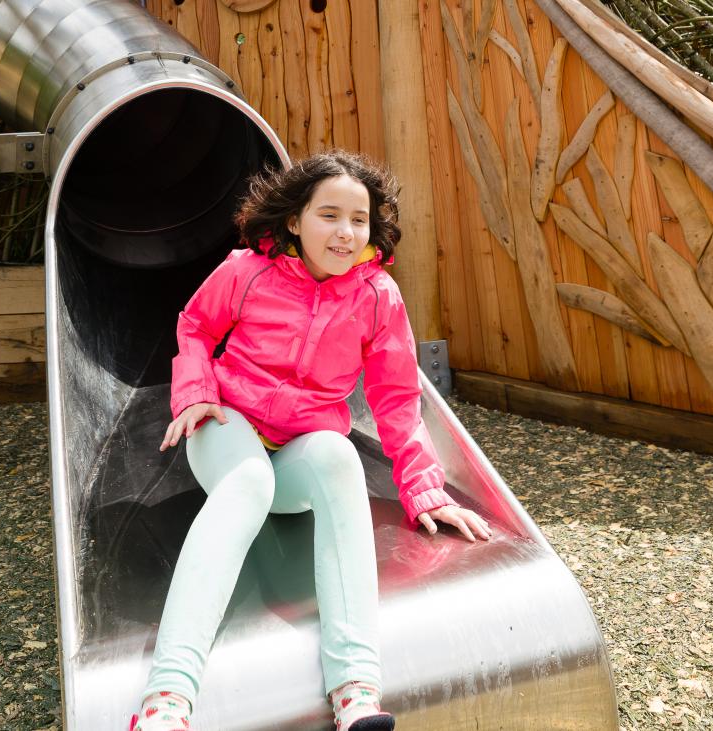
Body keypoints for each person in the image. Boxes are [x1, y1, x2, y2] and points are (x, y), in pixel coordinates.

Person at [131, 151, 493, 731]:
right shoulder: (246, 272)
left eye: (359, 219)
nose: (346, 232)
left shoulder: (377, 297)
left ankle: (356, 689)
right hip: (230, 432)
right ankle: (167, 699)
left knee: (338, 455)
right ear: (294, 221)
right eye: (329, 214)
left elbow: (396, 398)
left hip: (302, 447)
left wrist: (426, 490)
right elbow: (195, 325)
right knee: (248, 481)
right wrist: (196, 390)